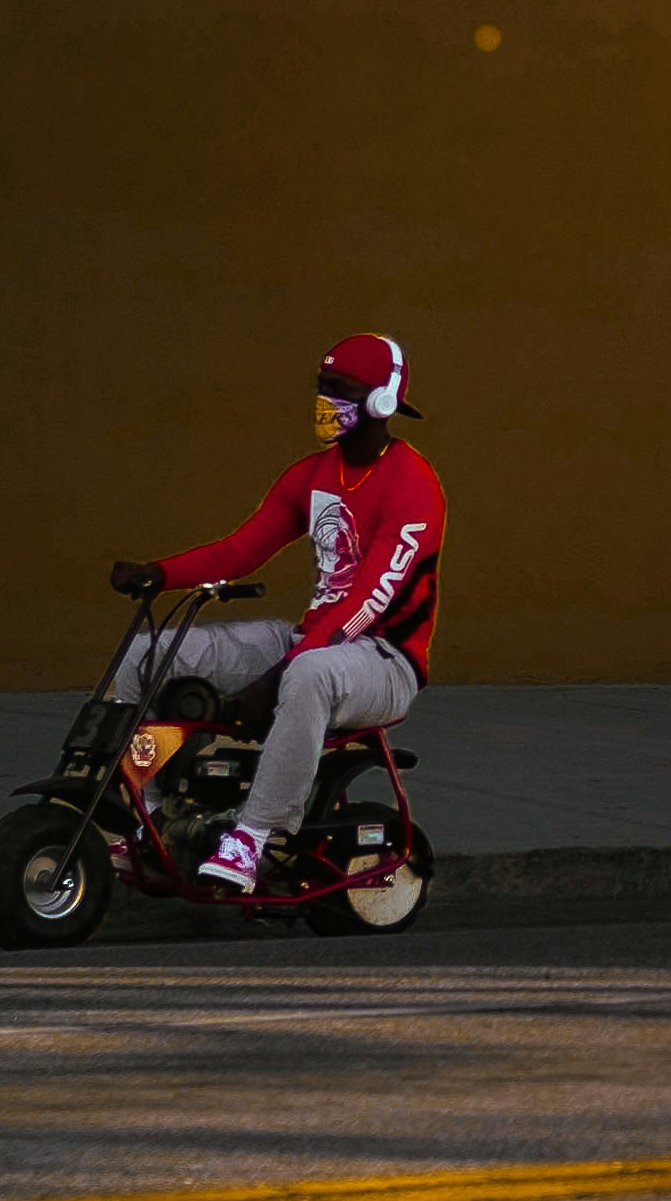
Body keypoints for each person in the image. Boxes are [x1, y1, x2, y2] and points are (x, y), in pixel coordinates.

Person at [106, 333, 444, 895]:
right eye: (320, 388)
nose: (323, 400)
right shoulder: (310, 475)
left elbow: (371, 598)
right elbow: (240, 551)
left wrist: (284, 670)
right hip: (311, 641)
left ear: (382, 400)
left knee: (308, 674)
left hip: (385, 661)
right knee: (147, 654)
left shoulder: (413, 483)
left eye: (340, 389)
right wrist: (158, 573)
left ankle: (252, 837)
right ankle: (156, 819)